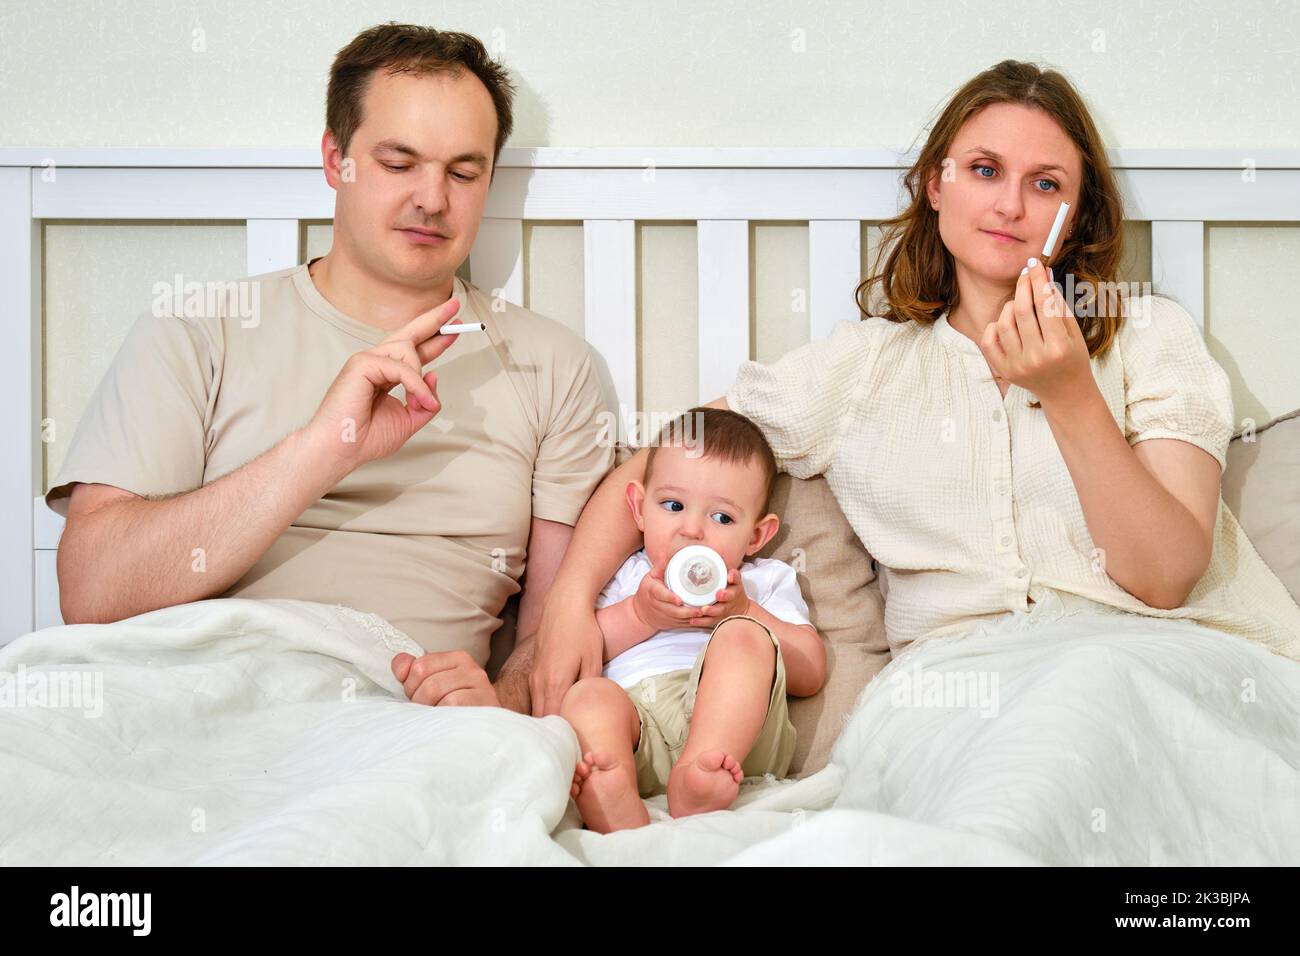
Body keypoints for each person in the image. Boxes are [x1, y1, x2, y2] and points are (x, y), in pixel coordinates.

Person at [530, 59, 1300, 719]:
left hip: (1151, 668)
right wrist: (568, 602)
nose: (1009, 205)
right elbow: (669, 456)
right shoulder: (864, 367)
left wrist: (1070, 396)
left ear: (1076, 215)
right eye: (986, 170)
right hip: (960, 700)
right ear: (937, 184)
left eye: (1045, 184)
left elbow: (1165, 577)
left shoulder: (1147, 335)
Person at [45, 24, 616, 715]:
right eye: (399, 164)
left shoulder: (554, 367)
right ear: (334, 158)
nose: (433, 199)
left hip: (409, 730)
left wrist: (498, 699)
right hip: (201, 704)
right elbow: (92, 596)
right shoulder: (196, 329)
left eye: (464, 172)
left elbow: (552, 635)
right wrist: (324, 449)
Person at [561, 408, 826, 832]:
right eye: (673, 505)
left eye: (722, 517)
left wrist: (745, 612)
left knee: (743, 637)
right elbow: (586, 649)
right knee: (588, 696)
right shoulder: (626, 574)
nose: (692, 530)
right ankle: (613, 789)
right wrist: (639, 614)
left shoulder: (762, 582)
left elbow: (810, 671)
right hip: (639, 726)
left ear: (757, 535)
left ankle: (699, 775)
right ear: (639, 508)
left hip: (735, 744)